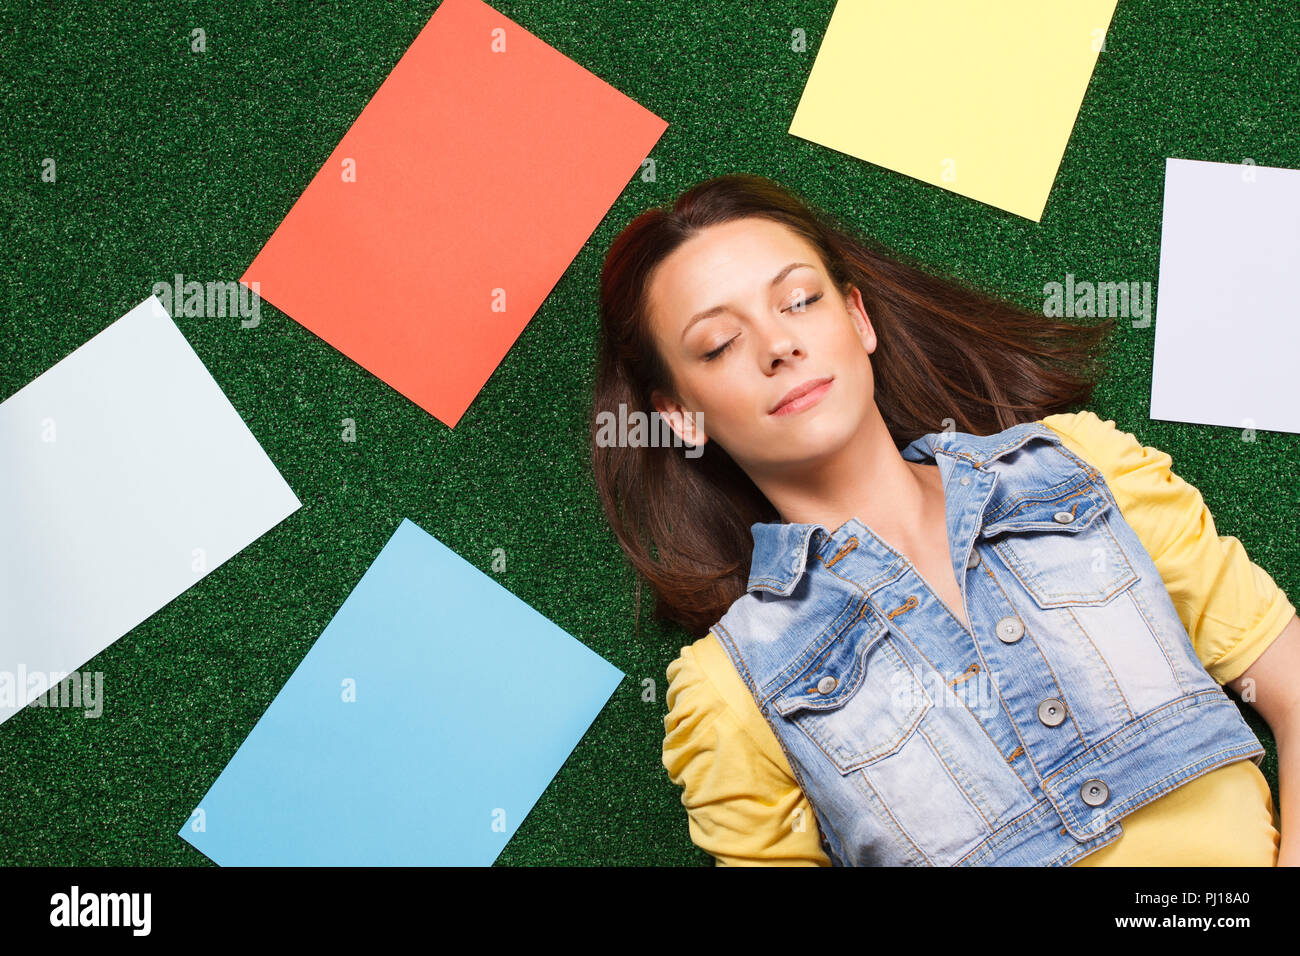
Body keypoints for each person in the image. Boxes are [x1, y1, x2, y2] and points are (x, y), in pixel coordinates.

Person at [588, 173, 1300, 866]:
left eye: (800, 301)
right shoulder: (732, 692)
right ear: (680, 417)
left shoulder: (1085, 471)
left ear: (857, 319)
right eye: (719, 345)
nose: (779, 347)